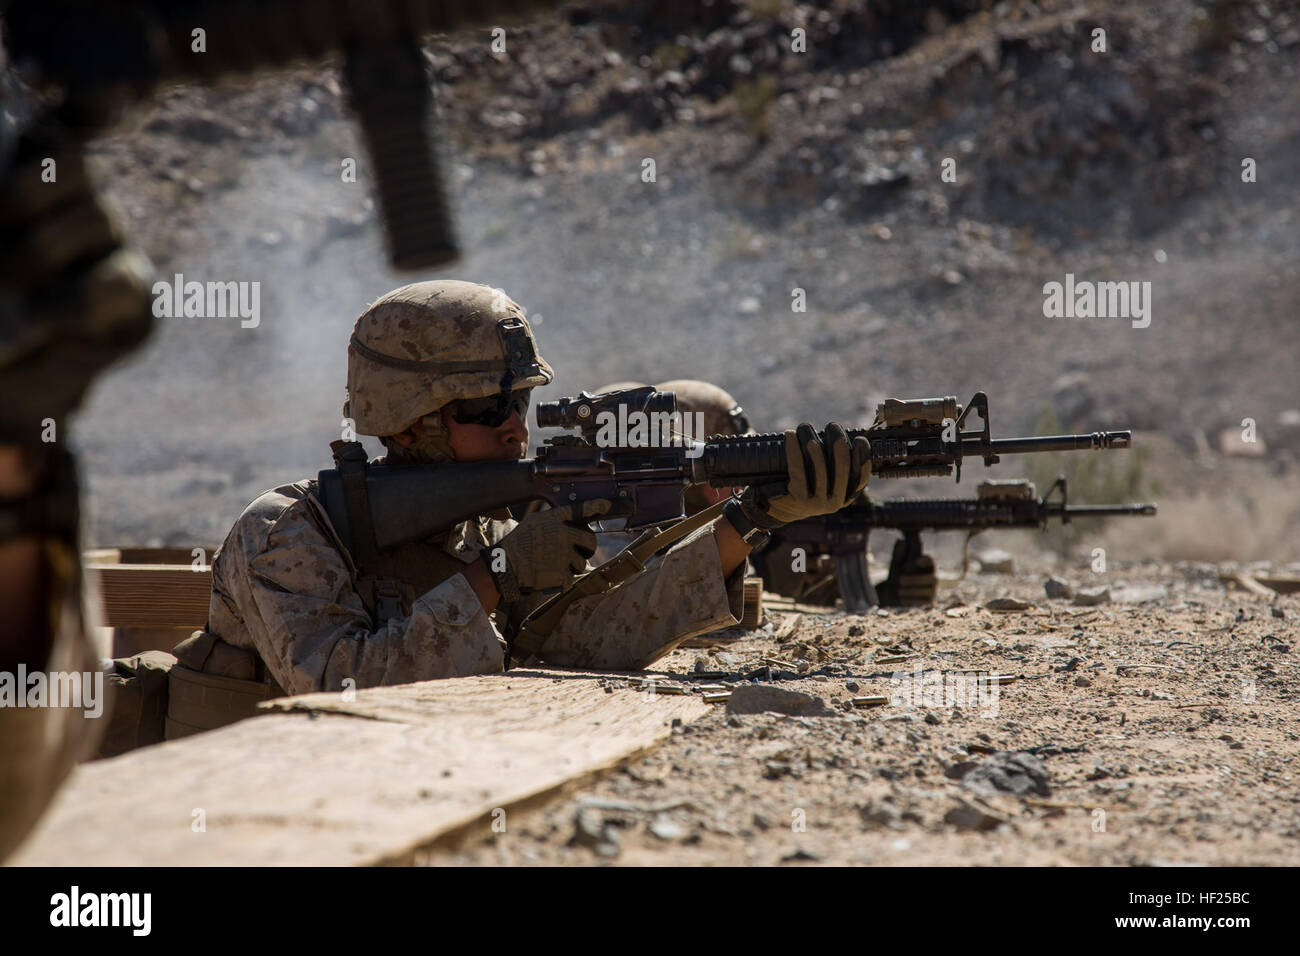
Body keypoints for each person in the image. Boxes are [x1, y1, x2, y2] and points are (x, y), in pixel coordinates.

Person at [176, 280, 871, 732]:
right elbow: (334, 689)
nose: (516, 425)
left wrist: (751, 518)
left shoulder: (482, 524)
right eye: (487, 407)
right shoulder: (291, 531)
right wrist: (496, 575)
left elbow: (579, 650)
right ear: (405, 419)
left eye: (522, 402)